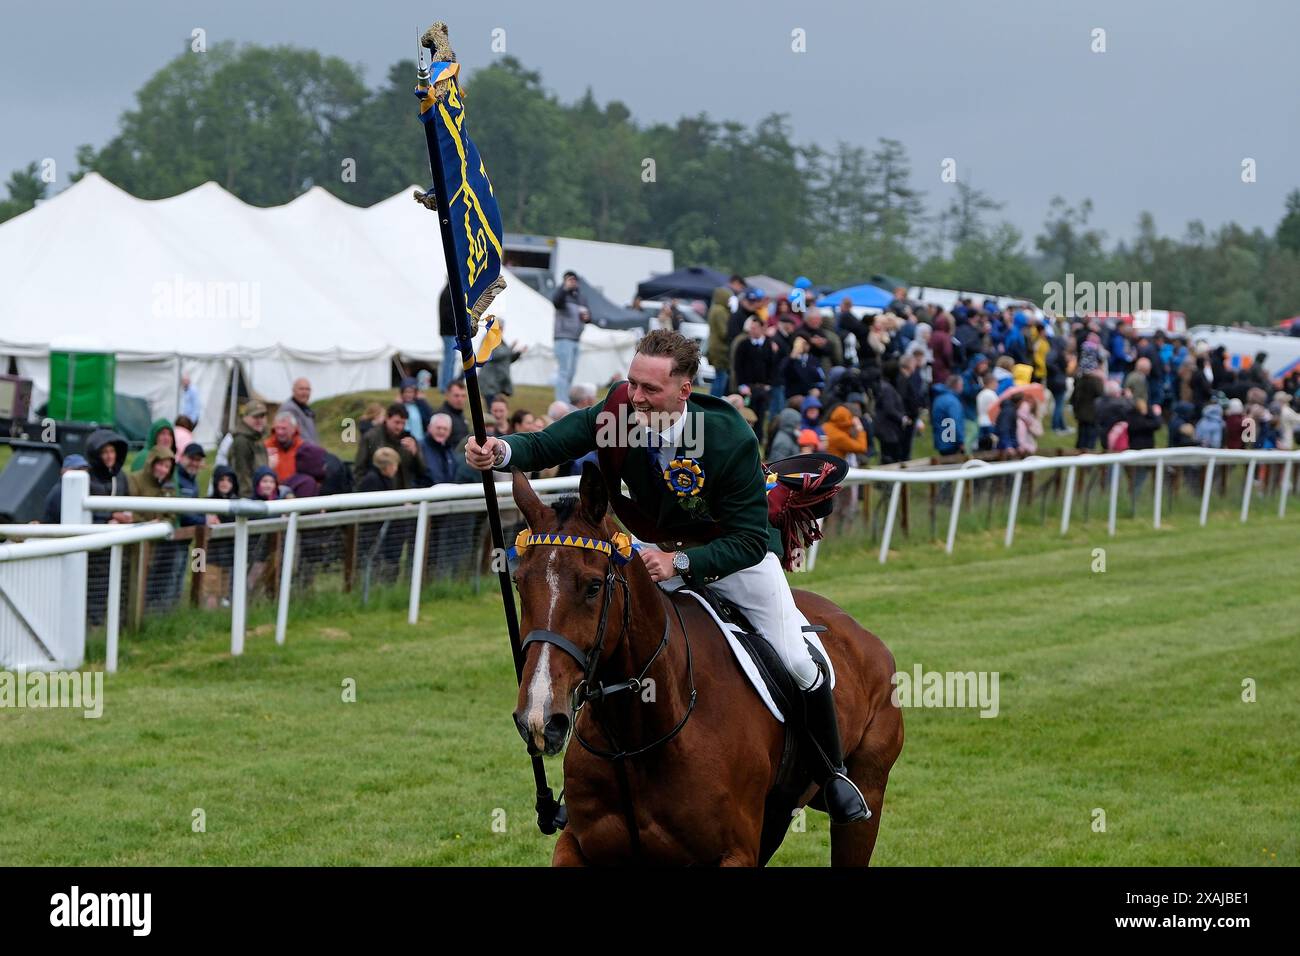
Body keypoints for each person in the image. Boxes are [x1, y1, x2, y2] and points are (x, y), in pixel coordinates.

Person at [464, 328, 872, 825]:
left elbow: (746, 540)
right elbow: (551, 441)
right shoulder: (618, 411)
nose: (635, 397)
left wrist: (679, 564)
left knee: (797, 660)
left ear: (684, 390)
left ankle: (831, 774)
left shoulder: (728, 436)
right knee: (611, 646)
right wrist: (499, 452)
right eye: (632, 383)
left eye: (649, 389)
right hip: (649, 549)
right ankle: (600, 778)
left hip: (732, 557)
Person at [354, 403, 428, 490]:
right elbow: (359, 470)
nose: (400, 427)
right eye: (396, 422)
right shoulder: (370, 438)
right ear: (387, 418)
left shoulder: (410, 440)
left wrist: (415, 453)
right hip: (380, 494)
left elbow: (423, 471)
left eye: (403, 423)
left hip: (406, 495)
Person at [552, 270, 590, 403]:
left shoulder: (580, 298)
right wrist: (565, 288)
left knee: (571, 373)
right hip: (563, 338)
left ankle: (565, 400)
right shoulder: (561, 294)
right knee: (563, 372)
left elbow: (589, 317)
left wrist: (587, 318)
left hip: (576, 339)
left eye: (574, 280)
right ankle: (561, 401)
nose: (572, 282)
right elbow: (556, 302)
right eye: (569, 280)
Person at [83, 429, 133, 523]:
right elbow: (81, 507)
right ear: (96, 455)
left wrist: (126, 516)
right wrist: (110, 516)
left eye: (112, 451)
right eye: (104, 452)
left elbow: (127, 498)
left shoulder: (120, 476)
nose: (110, 456)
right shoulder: (86, 477)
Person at [478, 318, 528, 399]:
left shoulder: (500, 340)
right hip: (489, 383)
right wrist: (510, 349)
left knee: (496, 409)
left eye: (501, 327)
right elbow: (493, 354)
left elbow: (507, 360)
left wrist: (518, 352)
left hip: (498, 385)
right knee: (493, 409)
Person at [230, 401, 269, 499]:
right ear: (245, 418)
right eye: (255, 417)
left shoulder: (257, 437)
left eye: (262, 416)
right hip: (250, 497)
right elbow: (242, 473)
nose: (260, 420)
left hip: (260, 494)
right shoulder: (241, 441)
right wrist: (247, 498)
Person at [175, 443, 218, 527]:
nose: (194, 463)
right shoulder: (175, 478)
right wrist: (204, 520)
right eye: (191, 458)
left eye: (198, 460)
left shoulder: (193, 480)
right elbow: (181, 512)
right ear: (182, 457)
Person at [40, 454, 90, 524]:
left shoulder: (70, 490)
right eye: (77, 469)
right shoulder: (59, 492)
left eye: (84, 469)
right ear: (64, 471)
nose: (82, 472)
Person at [422, 413, 466, 486]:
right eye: (438, 428)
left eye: (445, 429)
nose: (441, 431)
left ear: (450, 431)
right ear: (429, 428)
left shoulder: (450, 451)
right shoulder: (420, 448)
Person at [706, 286, 733, 397]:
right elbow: (724, 332)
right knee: (721, 377)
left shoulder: (713, 309)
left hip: (713, 346)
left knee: (718, 376)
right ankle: (716, 400)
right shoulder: (721, 311)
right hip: (721, 348)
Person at [931, 375, 966, 455]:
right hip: (951, 443)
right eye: (961, 385)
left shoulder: (939, 398)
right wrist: (961, 441)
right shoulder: (952, 402)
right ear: (956, 385)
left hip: (941, 441)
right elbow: (955, 422)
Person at [265, 410, 303, 482]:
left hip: (296, 489)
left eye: (284, 428)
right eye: (277, 428)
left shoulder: (303, 448)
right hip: (273, 490)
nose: (280, 432)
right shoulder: (266, 446)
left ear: (294, 429)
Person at [280, 378, 319, 444]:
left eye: (307, 389)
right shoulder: (289, 409)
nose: (305, 392)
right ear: (293, 391)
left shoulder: (304, 409)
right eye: (301, 389)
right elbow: (301, 438)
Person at [437, 379, 470, 449]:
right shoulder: (441, 417)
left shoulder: (460, 414)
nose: (460, 399)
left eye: (463, 396)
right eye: (456, 396)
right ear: (447, 395)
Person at [438, 284, 459, 392]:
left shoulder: (447, 292)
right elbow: (448, 314)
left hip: (448, 331)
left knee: (450, 360)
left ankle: (448, 385)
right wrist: (457, 325)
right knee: (449, 360)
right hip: (449, 332)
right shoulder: (449, 294)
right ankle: (446, 386)